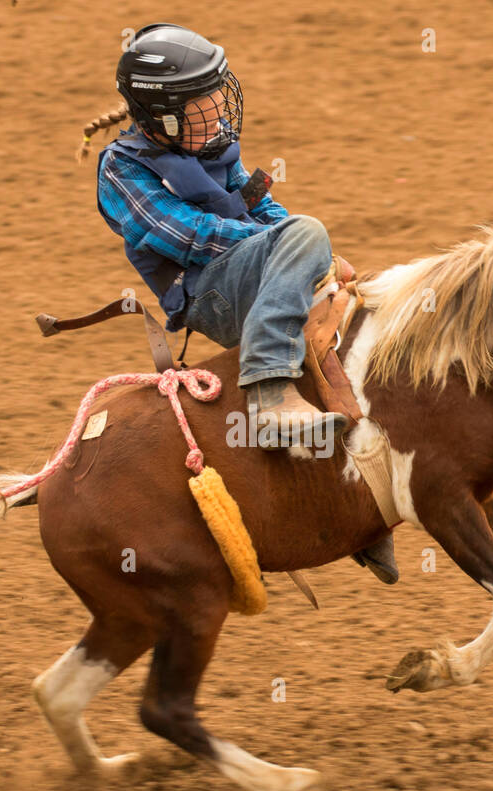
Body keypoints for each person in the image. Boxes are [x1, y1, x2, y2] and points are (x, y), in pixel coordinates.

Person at [77, 22, 397, 583]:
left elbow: (263, 208)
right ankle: (269, 394)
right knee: (305, 235)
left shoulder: (212, 142)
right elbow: (183, 235)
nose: (220, 108)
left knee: (356, 301)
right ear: (164, 116)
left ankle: (368, 518)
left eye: (218, 93)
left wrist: (311, 256)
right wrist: (287, 248)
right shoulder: (121, 169)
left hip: (254, 272)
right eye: (204, 101)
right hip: (209, 294)